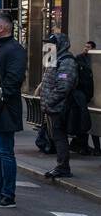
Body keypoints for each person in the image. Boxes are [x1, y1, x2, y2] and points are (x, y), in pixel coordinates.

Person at [0, 9, 27, 207]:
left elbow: (14, 80)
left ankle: (8, 194)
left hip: (6, 109)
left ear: (2, 28)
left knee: (4, 151)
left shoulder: (15, 50)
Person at [40, 33, 77, 180]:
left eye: (52, 44)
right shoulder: (57, 59)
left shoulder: (66, 61)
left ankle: (63, 167)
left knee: (59, 136)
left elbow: (64, 86)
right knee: (56, 136)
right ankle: (61, 166)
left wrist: (49, 101)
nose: (50, 47)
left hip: (59, 107)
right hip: (53, 106)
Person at [68, 39, 94, 155]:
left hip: (89, 94)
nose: (86, 48)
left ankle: (81, 144)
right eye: (85, 46)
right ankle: (80, 144)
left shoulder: (94, 60)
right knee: (82, 118)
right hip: (81, 93)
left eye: (88, 47)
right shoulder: (79, 58)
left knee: (84, 119)